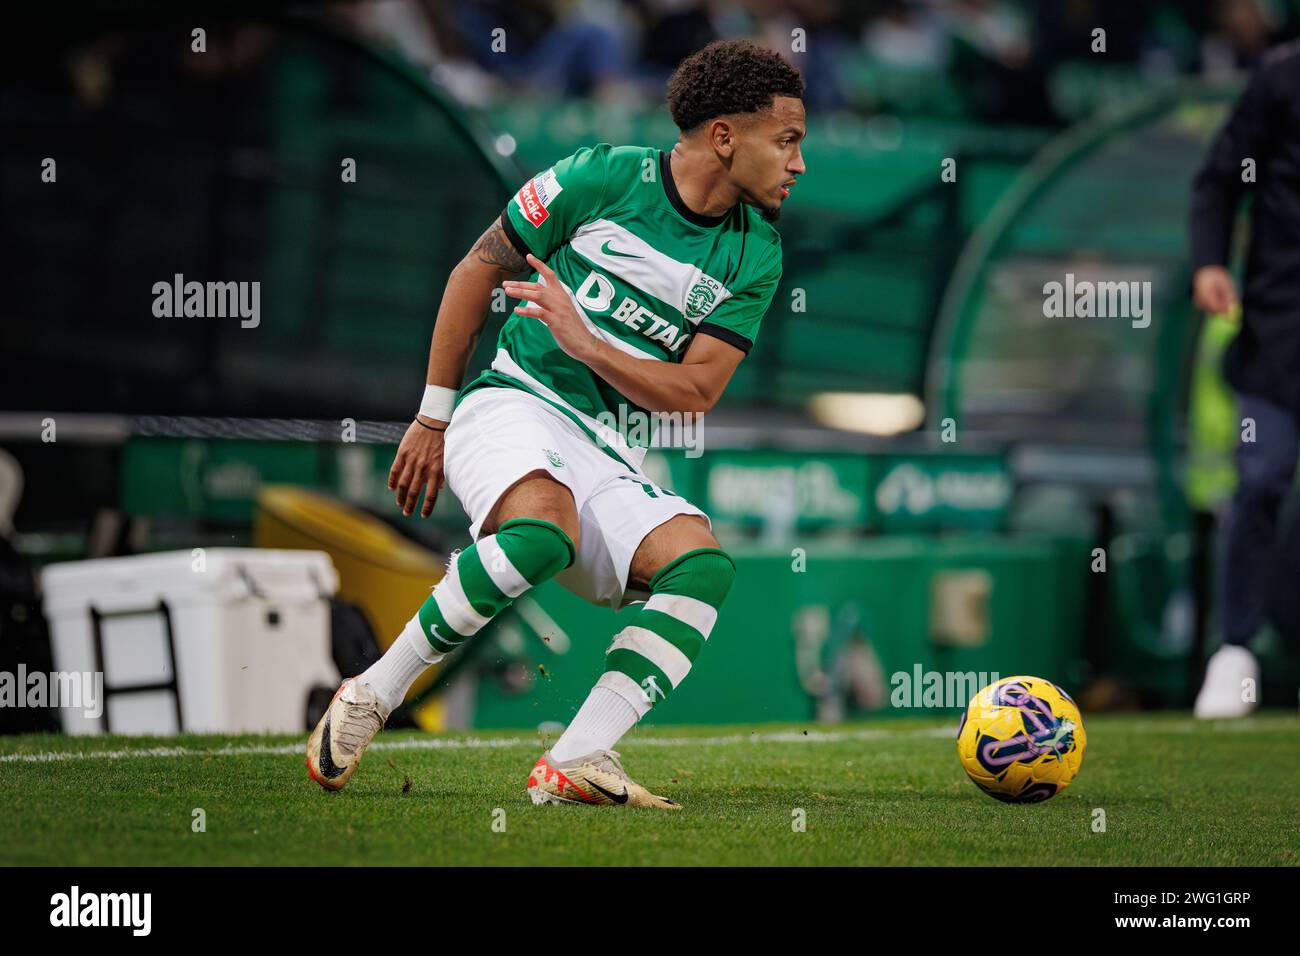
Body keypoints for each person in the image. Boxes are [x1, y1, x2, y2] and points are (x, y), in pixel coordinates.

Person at [307, 39, 806, 806]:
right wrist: (432, 417)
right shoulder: (601, 176)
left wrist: (589, 343)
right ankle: (372, 694)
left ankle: (576, 758)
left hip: (610, 449)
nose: (798, 164)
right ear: (725, 137)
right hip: (512, 401)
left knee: (703, 567)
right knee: (542, 534)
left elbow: (696, 392)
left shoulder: (756, 254)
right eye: (788, 141)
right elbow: (478, 268)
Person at [1188, 40, 1300, 719]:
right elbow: (1219, 177)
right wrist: (1209, 262)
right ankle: (1234, 652)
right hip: (1277, 328)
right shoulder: (1283, 76)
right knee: (1260, 477)